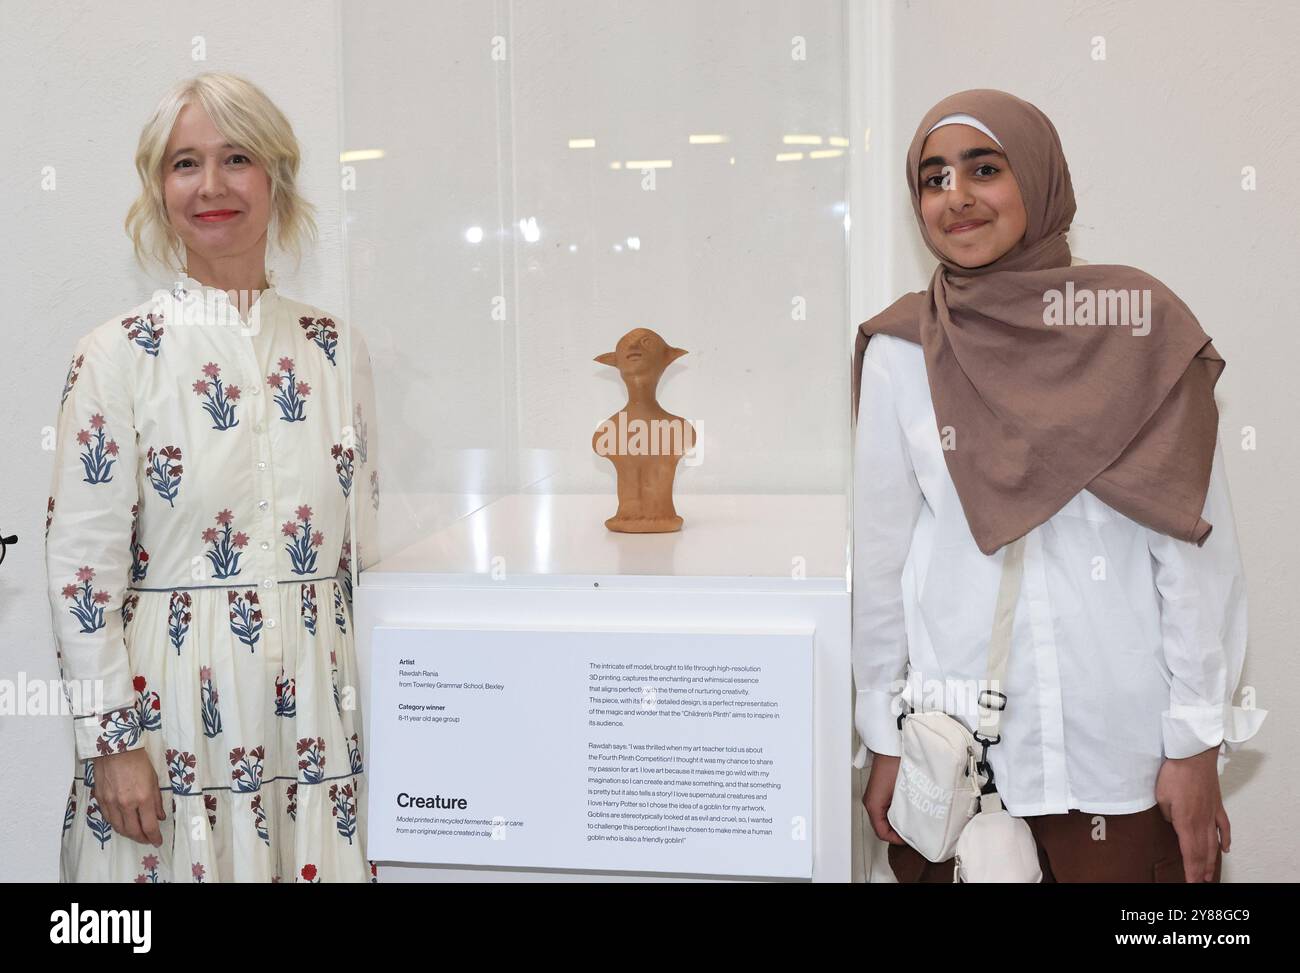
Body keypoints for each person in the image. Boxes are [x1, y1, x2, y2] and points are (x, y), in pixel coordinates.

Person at [851, 89, 1265, 883]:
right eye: (933, 178)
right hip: (959, 759)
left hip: (1125, 756)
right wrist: (883, 737)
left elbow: (1195, 555)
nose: (956, 196)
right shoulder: (901, 351)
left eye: (984, 168)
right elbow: (881, 560)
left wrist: (1195, 743)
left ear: (1039, 180)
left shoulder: (1138, 330)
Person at [47, 72, 379, 882]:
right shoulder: (116, 353)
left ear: (276, 177)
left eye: (237, 157)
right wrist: (113, 743)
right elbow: (83, 570)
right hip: (167, 722)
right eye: (184, 163)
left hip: (316, 715)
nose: (212, 185)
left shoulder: (336, 347)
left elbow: (359, 558)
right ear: (158, 189)